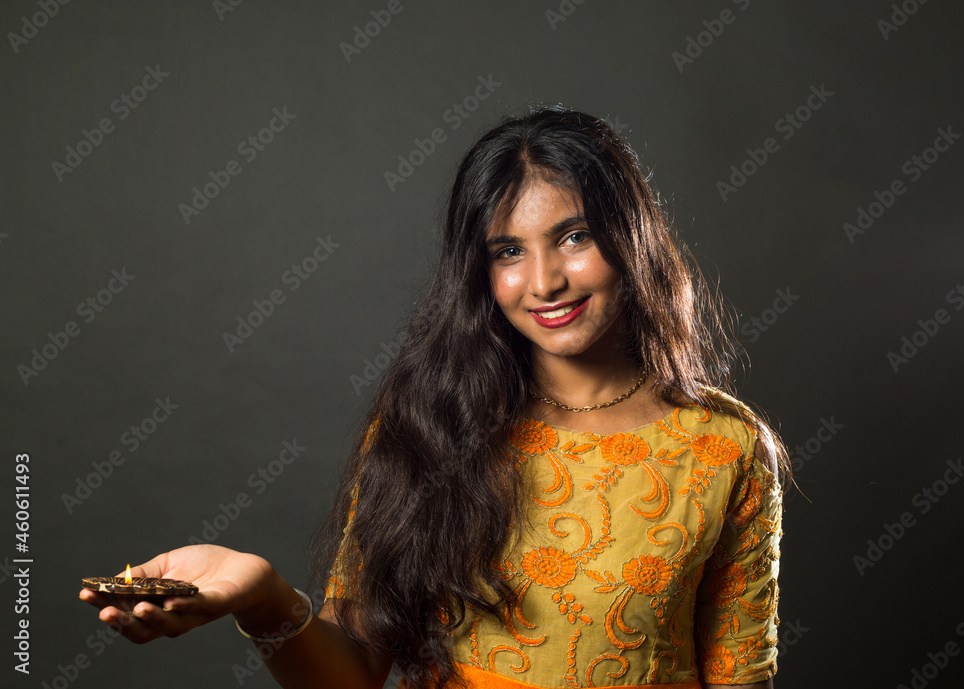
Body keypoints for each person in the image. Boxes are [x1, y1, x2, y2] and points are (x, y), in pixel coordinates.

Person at [81, 106, 790, 689]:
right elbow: (352, 675)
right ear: (477, 272)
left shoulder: (723, 445)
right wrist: (266, 595)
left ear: (633, 238)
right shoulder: (429, 424)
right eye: (507, 251)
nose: (544, 281)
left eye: (574, 236)